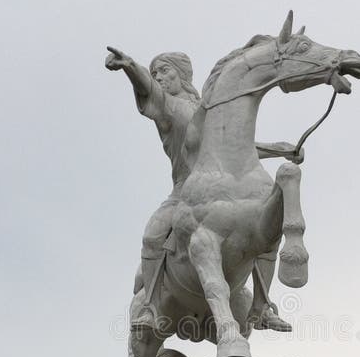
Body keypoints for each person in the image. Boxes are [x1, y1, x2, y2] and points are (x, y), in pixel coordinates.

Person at [105, 46, 300, 331]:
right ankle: (151, 306)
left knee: (262, 229)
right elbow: (147, 87)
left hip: (223, 185)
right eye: (155, 72)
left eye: (164, 70)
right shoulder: (167, 107)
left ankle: (262, 305)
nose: (158, 77)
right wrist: (130, 66)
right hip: (185, 192)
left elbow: (235, 149)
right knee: (153, 235)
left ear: (182, 74)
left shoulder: (211, 108)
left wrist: (281, 149)